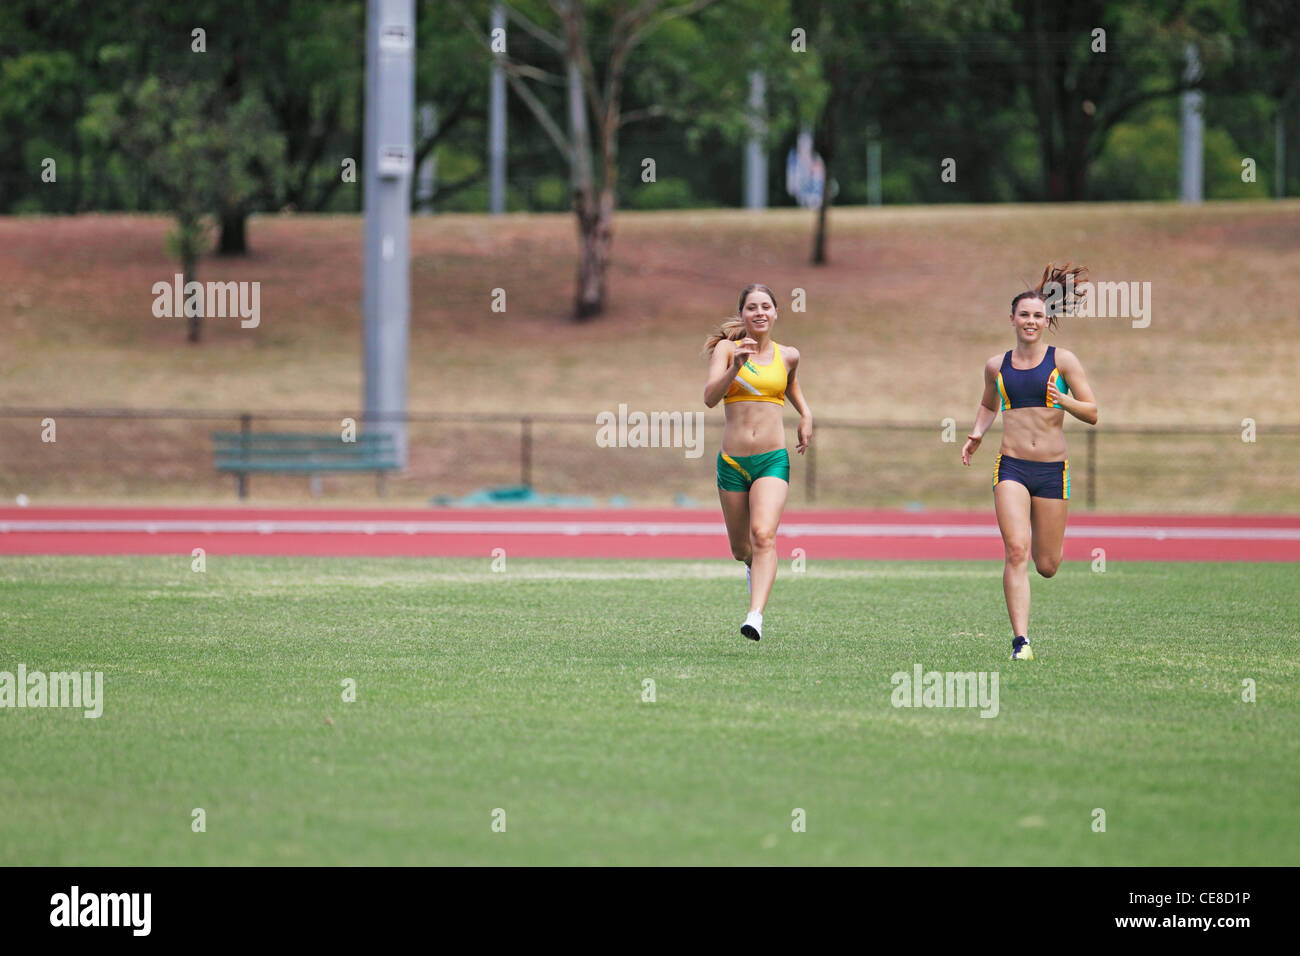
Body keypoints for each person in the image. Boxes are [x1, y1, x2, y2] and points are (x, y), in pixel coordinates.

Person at [961, 264, 1099, 660]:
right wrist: (976, 433)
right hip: (1013, 468)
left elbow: (1093, 413)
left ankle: (1043, 566)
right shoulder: (996, 365)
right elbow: (989, 404)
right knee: (1016, 550)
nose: (1031, 321)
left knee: (1047, 565)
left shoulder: (1064, 361)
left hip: (1053, 471)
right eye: (1024, 314)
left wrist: (1065, 399)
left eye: (1038, 315)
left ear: (1047, 319)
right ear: (1012, 319)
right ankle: (1021, 641)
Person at [703, 283, 812, 641]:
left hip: (772, 461)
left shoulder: (789, 355)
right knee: (741, 549)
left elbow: (788, 383)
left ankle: (755, 616)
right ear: (743, 315)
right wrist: (736, 366)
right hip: (732, 463)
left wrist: (806, 415)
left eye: (766, 306)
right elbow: (709, 397)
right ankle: (752, 567)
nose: (760, 312)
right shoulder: (727, 350)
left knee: (764, 534)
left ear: (776, 312)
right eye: (752, 307)